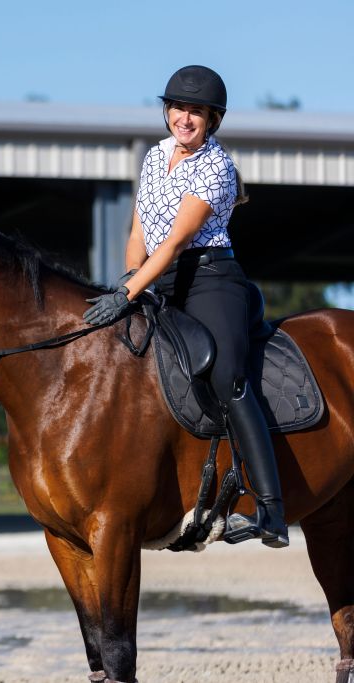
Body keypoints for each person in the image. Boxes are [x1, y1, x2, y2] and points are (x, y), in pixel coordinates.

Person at [82, 65, 288, 549]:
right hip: (158, 276)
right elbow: (139, 233)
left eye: (197, 111)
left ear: (213, 119)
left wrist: (127, 296)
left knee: (227, 379)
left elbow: (174, 244)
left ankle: (271, 511)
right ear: (167, 111)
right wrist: (129, 280)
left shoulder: (217, 167)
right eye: (179, 108)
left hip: (210, 278)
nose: (185, 118)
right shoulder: (155, 157)